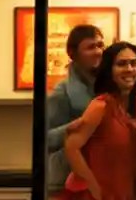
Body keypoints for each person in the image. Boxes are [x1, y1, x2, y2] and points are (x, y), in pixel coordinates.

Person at [62, 42, 136, 200]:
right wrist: (93, 186)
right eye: (121, 64)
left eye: (134, 63)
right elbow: (71, 146)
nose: (129, 69)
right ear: (109, 70)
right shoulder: (101, 106)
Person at [47, 25, 104, 196]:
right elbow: (45, 139)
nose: (98, 51)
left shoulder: (109, 88)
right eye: (90, 47)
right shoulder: (62, 92)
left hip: (101, 180)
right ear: (73, 54)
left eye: (100, 45)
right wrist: (73, 127)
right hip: (66, 184)